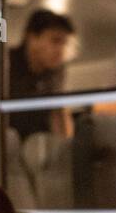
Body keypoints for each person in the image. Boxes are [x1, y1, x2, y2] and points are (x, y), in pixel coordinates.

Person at [5, 8, 75, 140]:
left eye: (64, 43)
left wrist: (67, 149)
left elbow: (59, 112)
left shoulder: (56, 72)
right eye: (55, 41)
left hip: (37, 150)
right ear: (32, 38)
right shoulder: (4, 65)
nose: (61, 50)